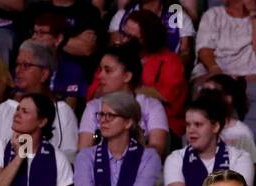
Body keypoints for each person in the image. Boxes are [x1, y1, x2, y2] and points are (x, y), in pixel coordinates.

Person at [73, 92, 162, 186]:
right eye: (101, 115)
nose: (103, 121)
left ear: (128, 123)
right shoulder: (85, 156)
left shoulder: (149, 156)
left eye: (110, 116)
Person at [163, 92, 256, 186]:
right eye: (188, 125)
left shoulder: (240, 158)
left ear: (215, 126)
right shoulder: (176, 158)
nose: (190, 130)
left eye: (198, 125)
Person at [0, 41, 79, 161]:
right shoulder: (6, 108)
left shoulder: (62, 112)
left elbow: (70, 159)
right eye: (17, 65)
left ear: (44, 74)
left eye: (25, 65)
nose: (18, 71)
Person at [77, 47, 169, 152]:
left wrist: (123, 157)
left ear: (127, 76)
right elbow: (84, 150)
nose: (100, 75)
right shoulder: (93, 107)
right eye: (100, 70)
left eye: (108, 70)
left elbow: (157, 150)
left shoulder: (151, 106)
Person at [113, 8, 187, 136]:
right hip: (115, 122)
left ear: (146, 39)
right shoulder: (114, 59)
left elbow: (164, 96)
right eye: (123, 34)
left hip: (160, 127)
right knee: (95, 135)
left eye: (130, 37)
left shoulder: (170, 60)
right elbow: (97, 92)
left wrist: (119, 87)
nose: (123, 40)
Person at [193, 0, 256, 96]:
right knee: (208, 88)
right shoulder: (212, 15)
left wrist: (255, 13)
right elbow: (204, 50)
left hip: (255, 71)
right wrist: (216, 71)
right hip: (217, 69)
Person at [29, 10, 85, 110]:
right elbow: (16, 103)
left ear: (58, 39)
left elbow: (68, 111)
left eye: (41, 33)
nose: (34, 37)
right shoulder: (25, 64)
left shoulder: (72, 70)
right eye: (34, 32)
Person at [202, 74, 256, 166]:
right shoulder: (196, 126)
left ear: (229, 99)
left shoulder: (241, 132)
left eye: (211, 93)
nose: (205, 98)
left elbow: (253, 165)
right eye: (203, 92)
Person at [110, 0, 195, 64]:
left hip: (165, 72)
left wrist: (162, 66)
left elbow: (186, 54)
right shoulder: (121, 15)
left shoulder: (179, 17)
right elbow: (116, 51)